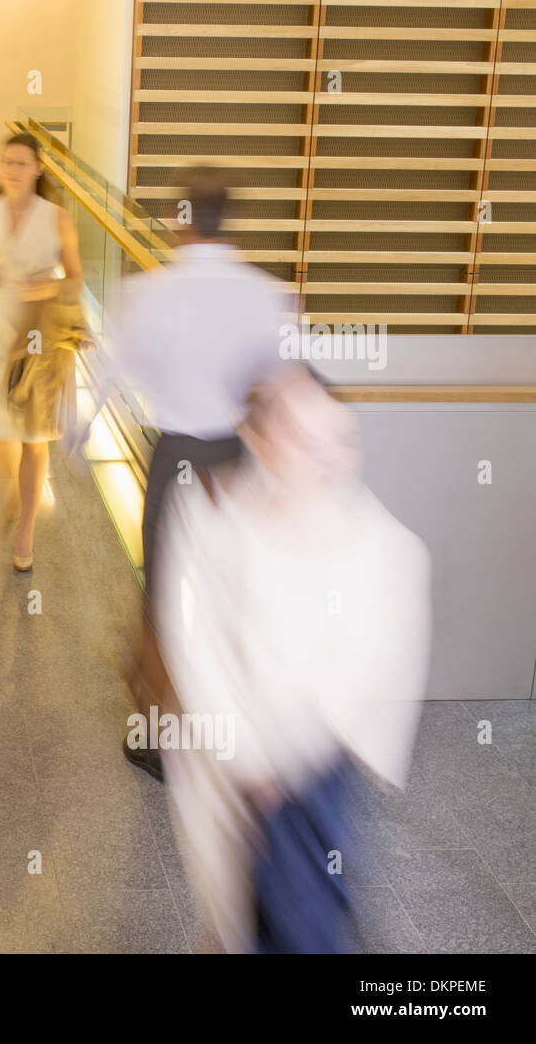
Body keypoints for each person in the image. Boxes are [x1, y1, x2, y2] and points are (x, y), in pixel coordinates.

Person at [153, 364, 430, 952]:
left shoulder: (385, 547)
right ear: (256, 439)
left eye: (339, 440)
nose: (325, 458)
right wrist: (247, 756)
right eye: (300, 438)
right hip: (224, 757)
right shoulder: (209, 514)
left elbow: (376, 665)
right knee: (229, 912)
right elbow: (192, 640)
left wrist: (293, 757)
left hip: (315, 772)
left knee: (293, 921)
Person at [110, 166, 288, 781]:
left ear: (180, 221)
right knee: (230, 592)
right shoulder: (268, 295)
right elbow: (289, 386)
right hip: (238, 462)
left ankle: (160, 738)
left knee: (163, 595)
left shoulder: (147, 293)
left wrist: (73, 434)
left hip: (176, 456)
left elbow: (108, 371)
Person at [0, 131, 87, 571]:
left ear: (37, 168)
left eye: (21, 163)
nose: (12, 170)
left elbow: (76, 280)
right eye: (6, 162)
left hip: (38, 343)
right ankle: (18, 487)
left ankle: (26, 531)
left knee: (34, 438)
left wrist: (50, 285)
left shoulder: (57, 219)